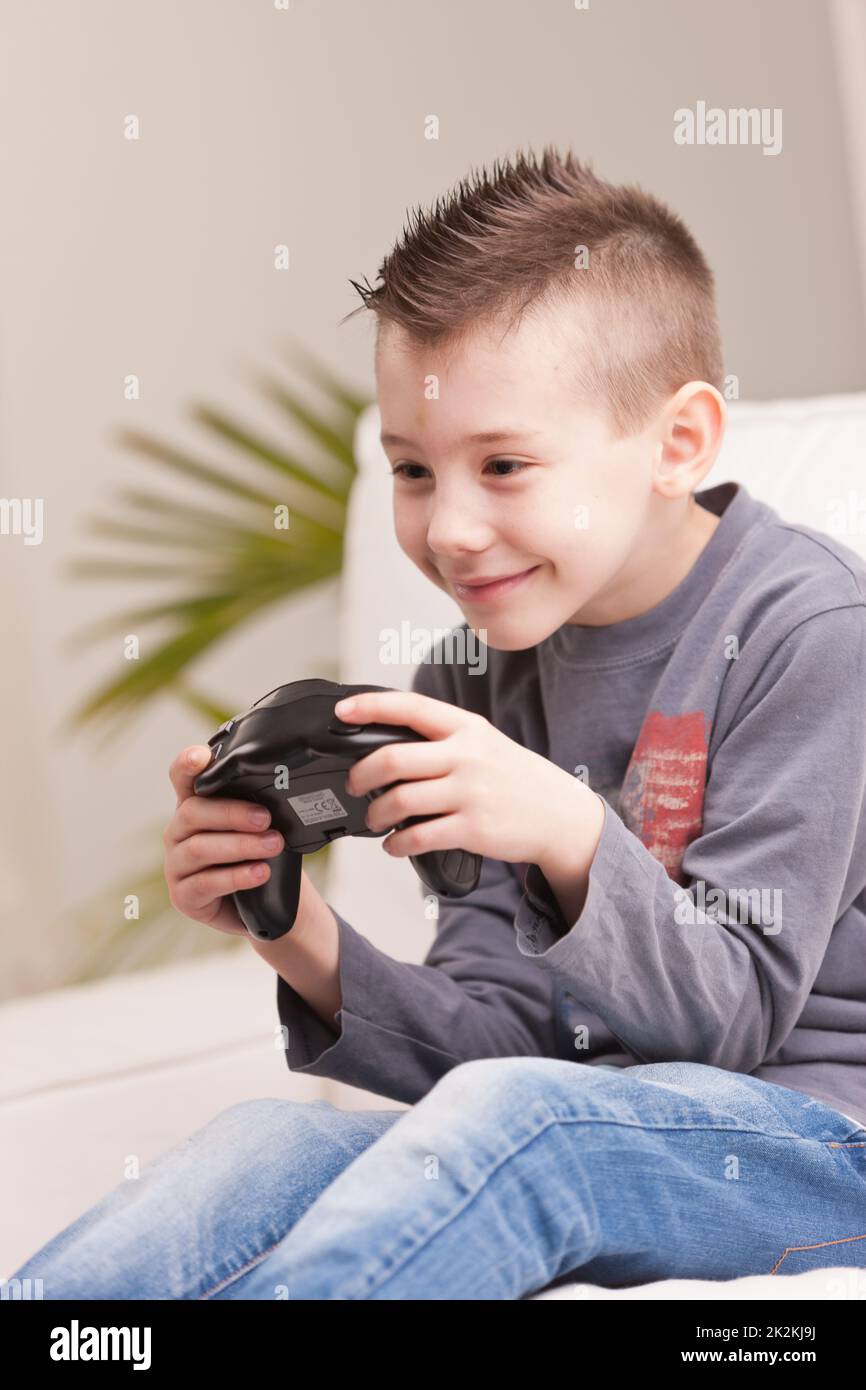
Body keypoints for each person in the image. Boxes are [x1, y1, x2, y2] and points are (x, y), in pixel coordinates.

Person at [11, 146, 866, 1300]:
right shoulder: (473, 676)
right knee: (259, 1148)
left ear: (677, 443)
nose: (449, 529)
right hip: (563, 1118)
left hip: (808, 1142)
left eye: (502, 464)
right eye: (411, 470)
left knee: (531, 1123)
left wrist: (564, 828)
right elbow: (492, 1051)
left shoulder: (808, 630)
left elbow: (727, 1026)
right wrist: (290, 928)